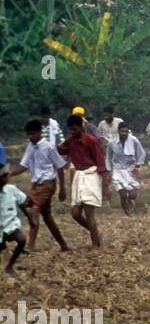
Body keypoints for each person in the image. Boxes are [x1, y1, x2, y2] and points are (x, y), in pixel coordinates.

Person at [11, 119, 69, 252]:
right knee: (47, 217)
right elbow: (23, 166)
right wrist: (10, 174)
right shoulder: (30, 146)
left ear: (39, 133)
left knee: (34, 211)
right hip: (36, 185)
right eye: (28, 134)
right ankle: (64, 246)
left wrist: (62, 189)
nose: (30, 137)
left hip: (48, 184)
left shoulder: (49, 147)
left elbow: (59, 166)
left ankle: (30, 247)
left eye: (32, 134)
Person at [58, 114, 109, 249]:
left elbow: (100, 161)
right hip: (79, 176)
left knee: (88, 211)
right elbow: (61, 149)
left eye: (74, 129)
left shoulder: (91, 140)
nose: (72, 132)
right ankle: (97, 234)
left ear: (82, 127)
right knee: (75, 213)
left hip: (91, 175)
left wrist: (105, 183)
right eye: (70, 130)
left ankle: (95, 244)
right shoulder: (71, 140)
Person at [106, 121, 147, 214]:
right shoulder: (112, 143)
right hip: (118, 169)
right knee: (122, 194)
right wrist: (108, 171)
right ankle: (127, 212)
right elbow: (108, 157)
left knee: (132, 194)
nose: (124, 133)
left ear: (128, 131)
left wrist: (137, 166)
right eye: (122, 131)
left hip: (130, 168)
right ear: (118, 131)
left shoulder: (134, 140)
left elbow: (141, 154)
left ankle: (130, 201)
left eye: (126, 131)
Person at [0, 168, 34, 273]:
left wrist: (29, 217)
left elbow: (22, 203)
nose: (6, 178)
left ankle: (10, 266)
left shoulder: (11, 189)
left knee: (22, 240)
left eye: (6, 175)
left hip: (10, 224)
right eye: (3, 176)